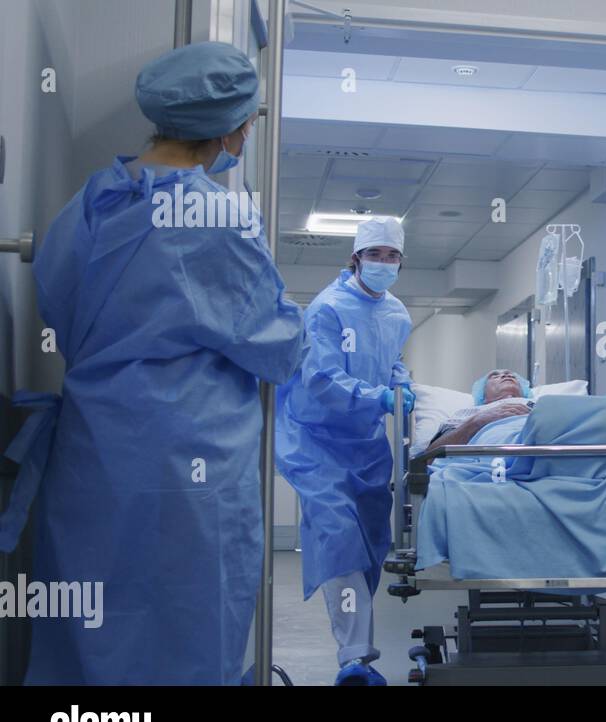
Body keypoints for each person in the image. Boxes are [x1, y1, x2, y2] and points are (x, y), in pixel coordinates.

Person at [1, 42, 305, 684]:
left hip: (96, 459)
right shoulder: (218, 220)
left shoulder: (88, 204)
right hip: (192, 473)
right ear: (230, 127)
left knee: (90, 635)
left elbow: (56, 310)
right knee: (187, 629)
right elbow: (277, 347)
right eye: (249, 122)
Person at [275, 216, 414, 686]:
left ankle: (356, 649)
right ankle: (355, 658)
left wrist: (399, 381)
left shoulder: (398, 312)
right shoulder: (327, 308)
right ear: (354, 259)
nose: (382, 263)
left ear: (400, 262)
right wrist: (375, 397)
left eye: (390, 256)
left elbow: (391, 358)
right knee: (338, 535)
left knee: (372, 542)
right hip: (316, 438)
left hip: (367, 445)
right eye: (373, 255)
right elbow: (320, 378)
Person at [417, 369, 534, 456]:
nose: (506, 375)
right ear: (483, 395)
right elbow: (429, 457)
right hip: (492, 463)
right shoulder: (469, 413)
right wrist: (477, 421)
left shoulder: (538, 404)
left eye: (511, 375)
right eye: (494, 376)